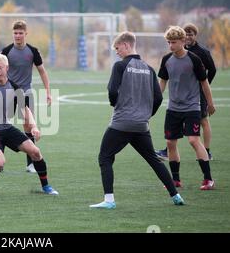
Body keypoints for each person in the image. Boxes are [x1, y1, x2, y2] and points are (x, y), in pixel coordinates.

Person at [89, 32, 184, 209]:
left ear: (126, 45)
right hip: (141, 125)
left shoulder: (120, 66)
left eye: (117, 48)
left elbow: (111, 91)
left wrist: (114, 104)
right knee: (153, 160)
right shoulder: (149, 69)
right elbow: (158, 98)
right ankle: (176, 195)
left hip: (122, 122)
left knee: (105, 157)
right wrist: (146, 115)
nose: (116, 52)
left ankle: (109, 200)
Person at [0, 53, 58, 196]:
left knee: (35, 152)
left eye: (0, 68)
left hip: (7, 129)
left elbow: (25, 109)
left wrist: (34, 126)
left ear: (7, 68)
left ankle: (46, 186)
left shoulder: (15, 88)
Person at [158, 26, 215, 190]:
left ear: (183, 41)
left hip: (191, 107)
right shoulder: (166, 59)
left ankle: (208, 179)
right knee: (170, 143)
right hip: (173, 108)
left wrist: (210, 103)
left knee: (193, 140)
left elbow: (204, 83)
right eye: (168, 42)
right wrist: (155, 99)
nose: (170, 45)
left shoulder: (194, 59)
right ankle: (175, 180)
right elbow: (162, 82)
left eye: (173, 42)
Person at [1, 20, 52, 173]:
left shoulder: (33, 51)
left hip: (26, 93)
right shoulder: (6, 51)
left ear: (26, 34)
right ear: (13, 34)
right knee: (2, 124)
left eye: (20, 33)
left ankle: (31, 164)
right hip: (9, 93)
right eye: (15, 33)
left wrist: (48, 92)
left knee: (28, 126)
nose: (18, 35)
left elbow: (42, 71)